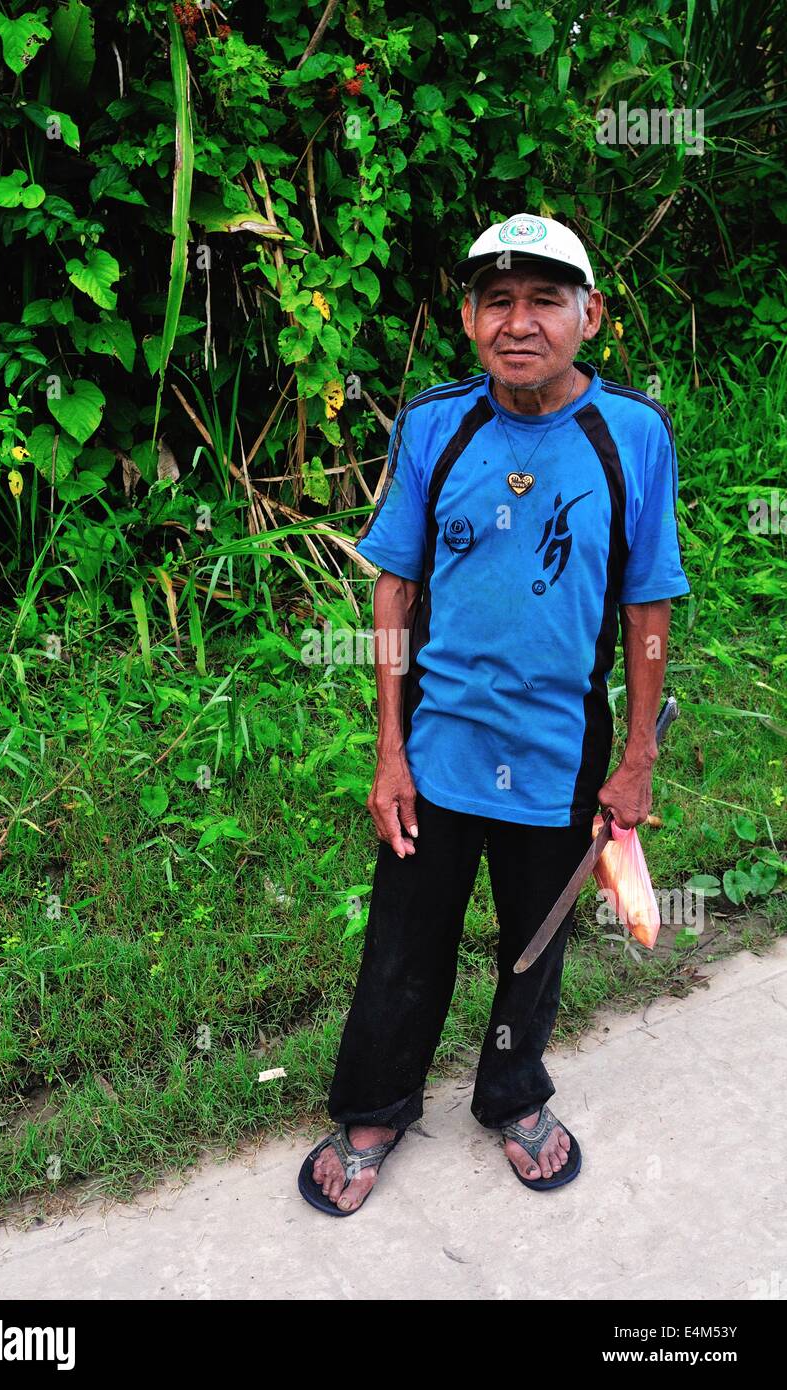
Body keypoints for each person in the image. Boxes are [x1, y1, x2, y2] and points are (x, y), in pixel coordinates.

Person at [298, 213, 691, 1215]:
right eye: (496, 300)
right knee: (402, 939)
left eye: (544, 299)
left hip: (561, 750)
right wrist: (388, 751)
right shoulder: (437, 422)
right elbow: (391, 589)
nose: (518, 323)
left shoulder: (630, 435)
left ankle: (511, 1095)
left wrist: (637, 754)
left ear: (588, 315)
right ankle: (375, 1107)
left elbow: (646, 604)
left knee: (534, 939)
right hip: (437, 746)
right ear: (469, 317)